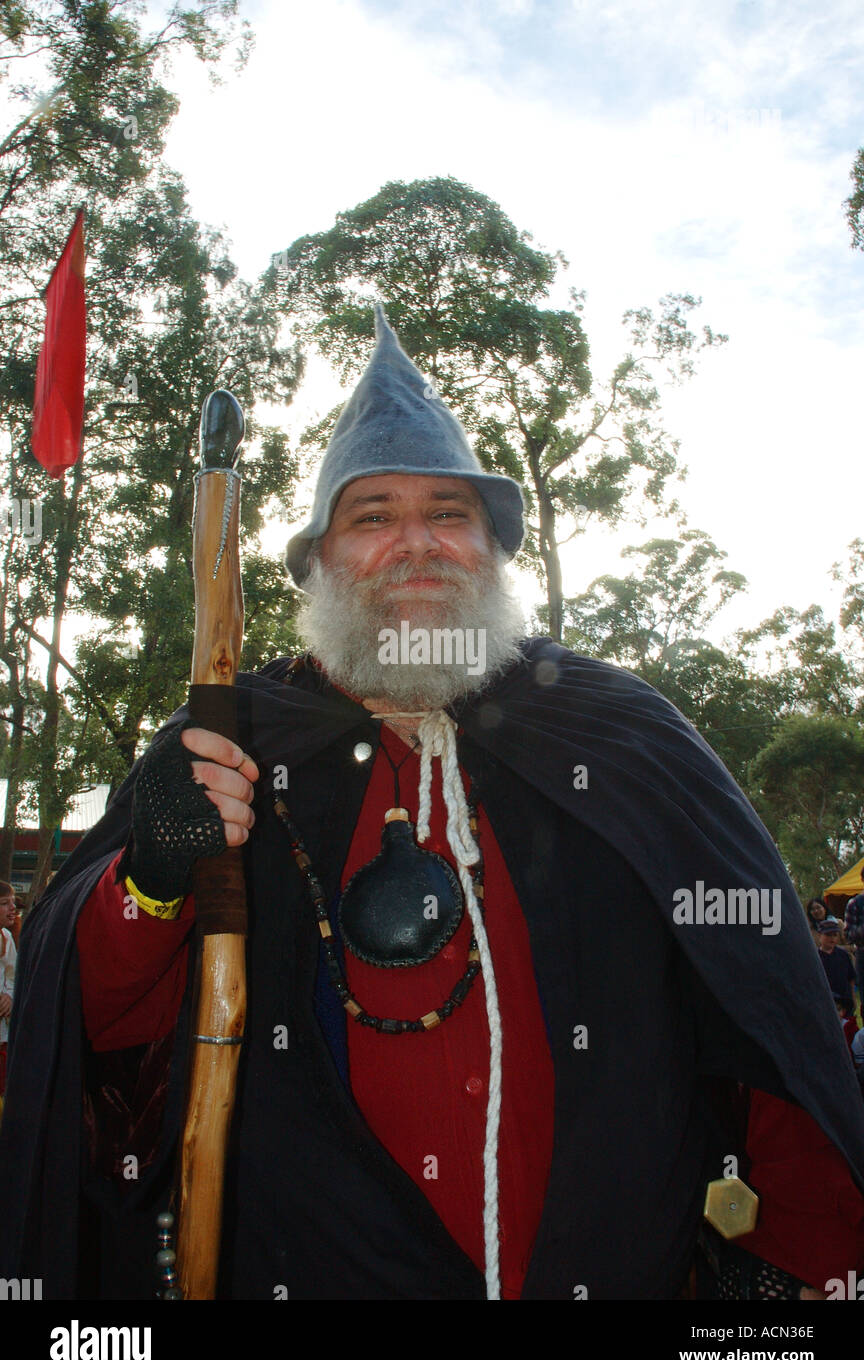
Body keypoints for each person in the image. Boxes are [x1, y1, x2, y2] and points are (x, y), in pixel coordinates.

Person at [1, 306, 864, 1303]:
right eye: (373, 518)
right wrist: (149, 878)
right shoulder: (228, 740)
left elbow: (763, 1004)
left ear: (493, 552)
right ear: (320, 563)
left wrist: (798, 1272)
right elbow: (91, 1026)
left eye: (449, 514)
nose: (417, 544)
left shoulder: (624, 735)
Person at [817, 919, 857, 1014]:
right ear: (819, 936)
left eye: (834, 935)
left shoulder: (843, 954)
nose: (832, 938)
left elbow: (851, 977)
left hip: (844, 1000)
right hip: (826, 1001)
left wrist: (853, 997)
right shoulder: (815, 957)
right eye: (828, 935)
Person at [0, 883, 17, 1102]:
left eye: (13, 902)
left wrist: (10, 997)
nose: (12, 908)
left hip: (3, 1035)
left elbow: (14, 975)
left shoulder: (6, 937)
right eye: (4, 903)